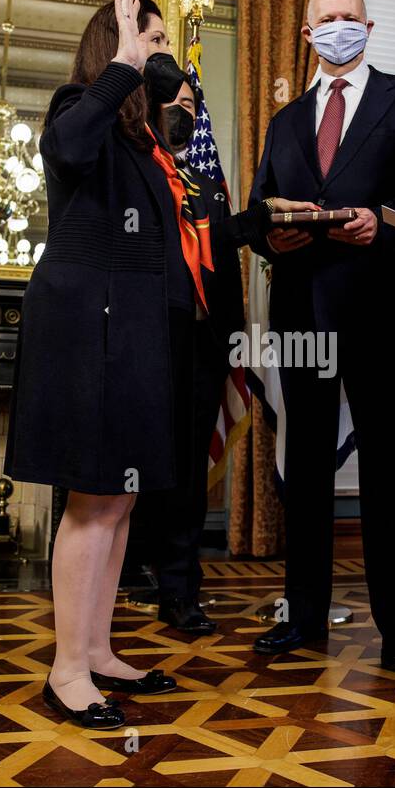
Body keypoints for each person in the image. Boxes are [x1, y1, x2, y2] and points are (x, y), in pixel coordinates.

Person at [3, 0, 315, 729]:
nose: (164, 50)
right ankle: (67, 670)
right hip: (89, 329)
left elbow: (183, 241)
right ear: (118, 43)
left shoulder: (147, 142)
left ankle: (99, 649)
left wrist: (260, 227)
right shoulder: (77, 106)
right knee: (92, 501)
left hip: (140, 330)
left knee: (120, 500)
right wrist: (122, 63)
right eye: (155, 36)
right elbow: (69, 149)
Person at [247, 0, 395, 672]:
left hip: (381, 311)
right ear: (306, 35)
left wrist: (382, 225)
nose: (339, 29)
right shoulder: (283, 122)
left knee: (389, 475)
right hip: (302, 312)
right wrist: (275, 237)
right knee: (303, 474)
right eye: (325, 21)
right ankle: (302, 619)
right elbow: (255, 216)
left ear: (369, 27)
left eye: (349, 19)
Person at [121, 80, 248, 635]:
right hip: (144, 344)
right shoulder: (133, 172)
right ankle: (122, 571)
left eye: (192, 107)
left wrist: (266, 216)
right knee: (134, 466)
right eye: (171, 105)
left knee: (187, 476)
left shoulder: (203, 184)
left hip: (201, 347)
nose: (182, 114)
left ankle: (180, 589)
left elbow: (220, 246)